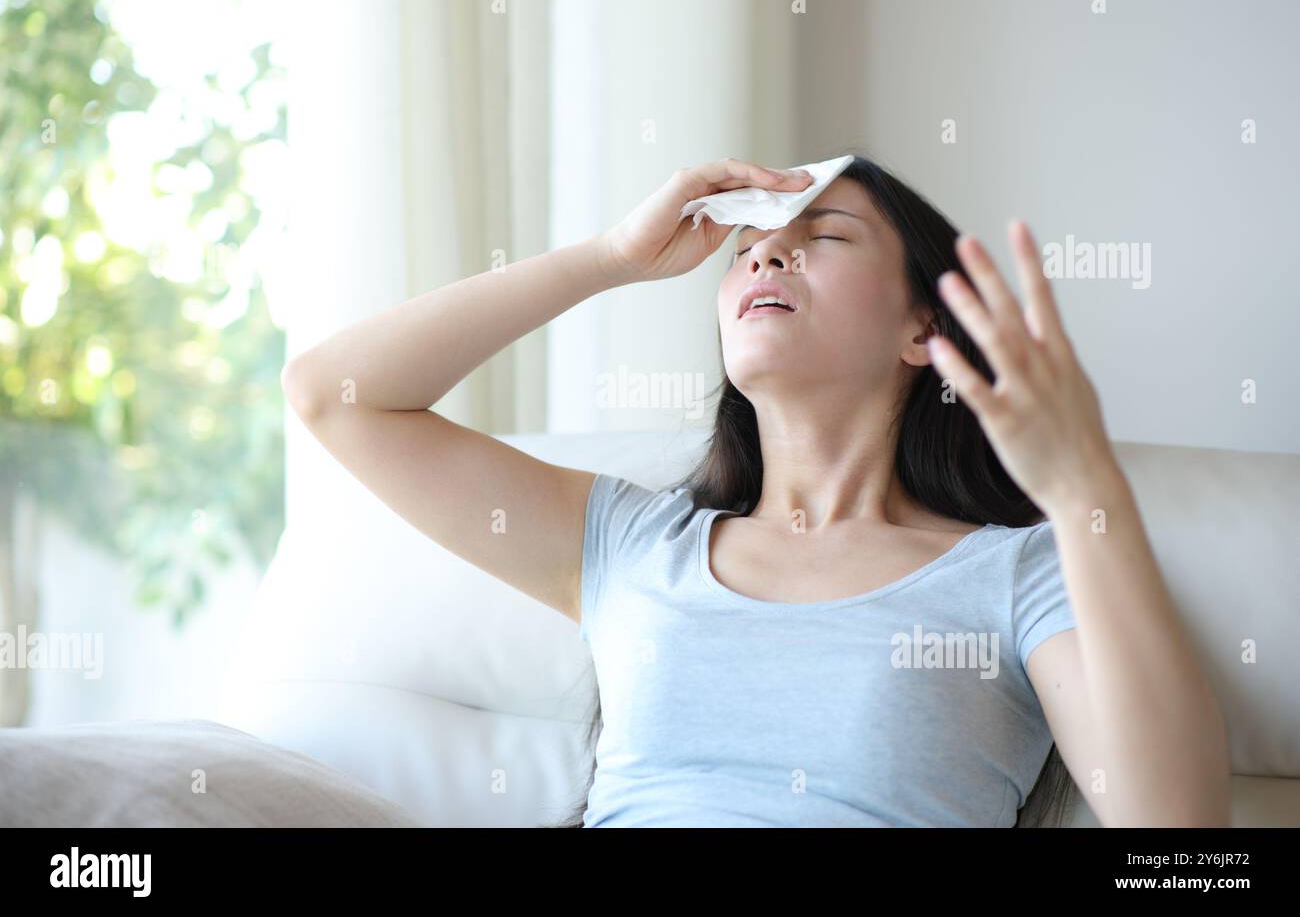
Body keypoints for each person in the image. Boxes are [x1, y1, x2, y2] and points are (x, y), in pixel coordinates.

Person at [282, 154, 1231, 828]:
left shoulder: (1018, 573)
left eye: (822, 234)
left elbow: (1183, 839)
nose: (765, 256)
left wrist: (1084, 483)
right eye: (748, 246)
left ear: (921, 329)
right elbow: (335, 397)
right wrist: (610, 257)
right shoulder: (632, 543)